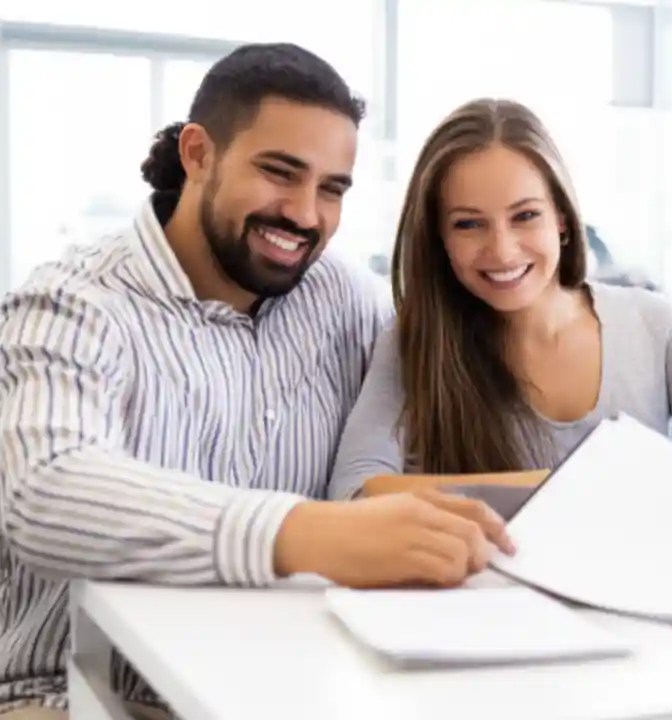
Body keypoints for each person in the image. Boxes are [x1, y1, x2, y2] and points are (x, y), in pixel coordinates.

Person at [0, 44, 511, 719]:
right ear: (198, 154)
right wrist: (303, 533)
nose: (305, 214)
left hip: (290, 686)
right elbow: (44, 491)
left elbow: (422, 438)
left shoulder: (345, 303)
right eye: (279, 173)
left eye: (331, 189)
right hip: (75, 691)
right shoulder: (70, 305)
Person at [327, 98, 672, 509]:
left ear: (561, 216)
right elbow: (355, 490)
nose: (501, 250)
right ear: (439, 239)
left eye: (525, 216)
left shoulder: (657, 327)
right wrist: (590, 489)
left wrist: (520, 492)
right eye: (468, 224)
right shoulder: (414, 343)